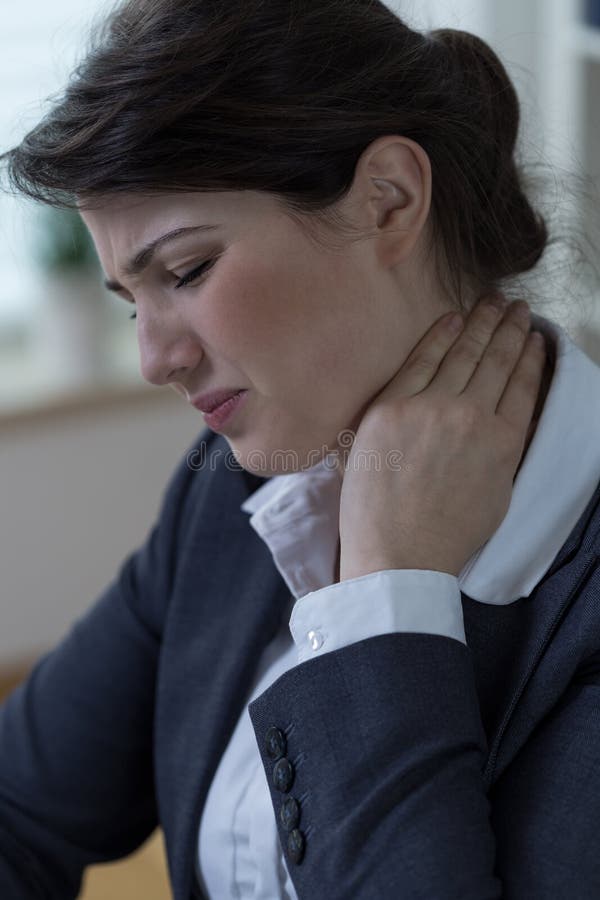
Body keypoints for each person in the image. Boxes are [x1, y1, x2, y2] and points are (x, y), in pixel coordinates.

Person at [1, 1, 599, 898]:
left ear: (389, 199)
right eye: (132, 302)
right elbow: (18, 808)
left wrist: (387, 591)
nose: (156, 360)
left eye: (188, 271)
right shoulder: (235, 490)